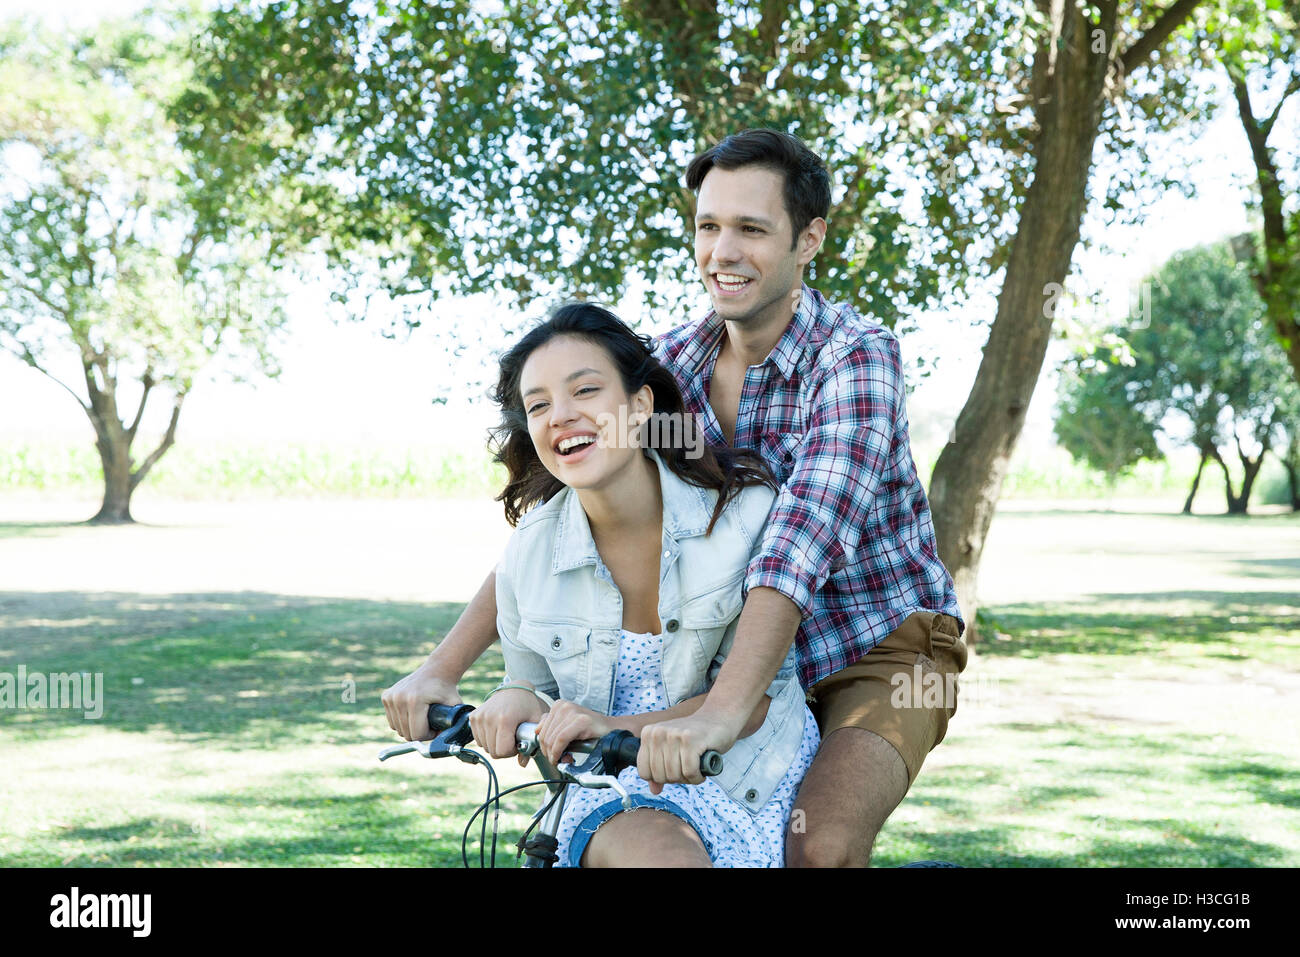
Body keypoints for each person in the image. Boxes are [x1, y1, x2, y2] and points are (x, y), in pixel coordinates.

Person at [384, 128, 967, 866]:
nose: (723, 251)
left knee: (821, 845)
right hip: (728, 652)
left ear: (809, 239)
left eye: (752, 229)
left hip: (872, 646)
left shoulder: (853, 356)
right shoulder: (676, 365)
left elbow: (800, 540)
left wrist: (720, 716)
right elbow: (569, 527)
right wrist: (442, 667)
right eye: (708, 226)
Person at [463, 302, 819, 867]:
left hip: (748, 778)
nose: (561, 415)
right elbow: (529, 683)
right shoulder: (531, 546)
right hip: (615, 791)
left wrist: (615, 726)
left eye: (585, 391)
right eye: (539, 405)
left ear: (641, 405)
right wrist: (513, 699)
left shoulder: (744, 516)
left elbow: (753, 701)